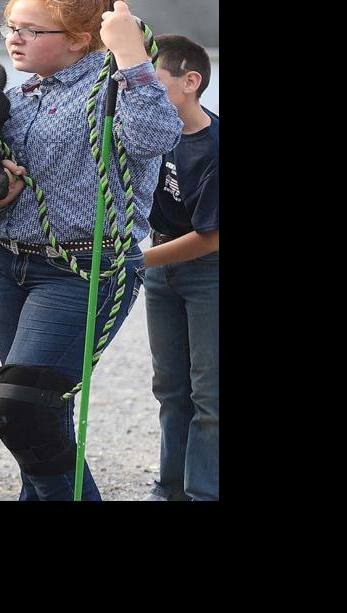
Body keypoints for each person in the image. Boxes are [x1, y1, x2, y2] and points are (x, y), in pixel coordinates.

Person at [0, 0, 182, 500]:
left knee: (24, 409)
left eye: (31, 29)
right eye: (11, 27)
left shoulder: (119, 88)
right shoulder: (16, 96)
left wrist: (133, 57)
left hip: (83, 270)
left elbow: (157, 135)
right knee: (38, 408)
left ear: (78, 38)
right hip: (5, 263)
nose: (14, 38)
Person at [140, 34, 218, 501]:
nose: (142, 97)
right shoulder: (152, 135)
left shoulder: (213, 147)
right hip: (159, 266)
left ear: (191, 82)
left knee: (210, 396)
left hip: (209, 272)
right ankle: (167, 489)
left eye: (155, 84)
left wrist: (136, 260)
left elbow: (212, 236)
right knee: (170, 390)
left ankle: (203, 493)